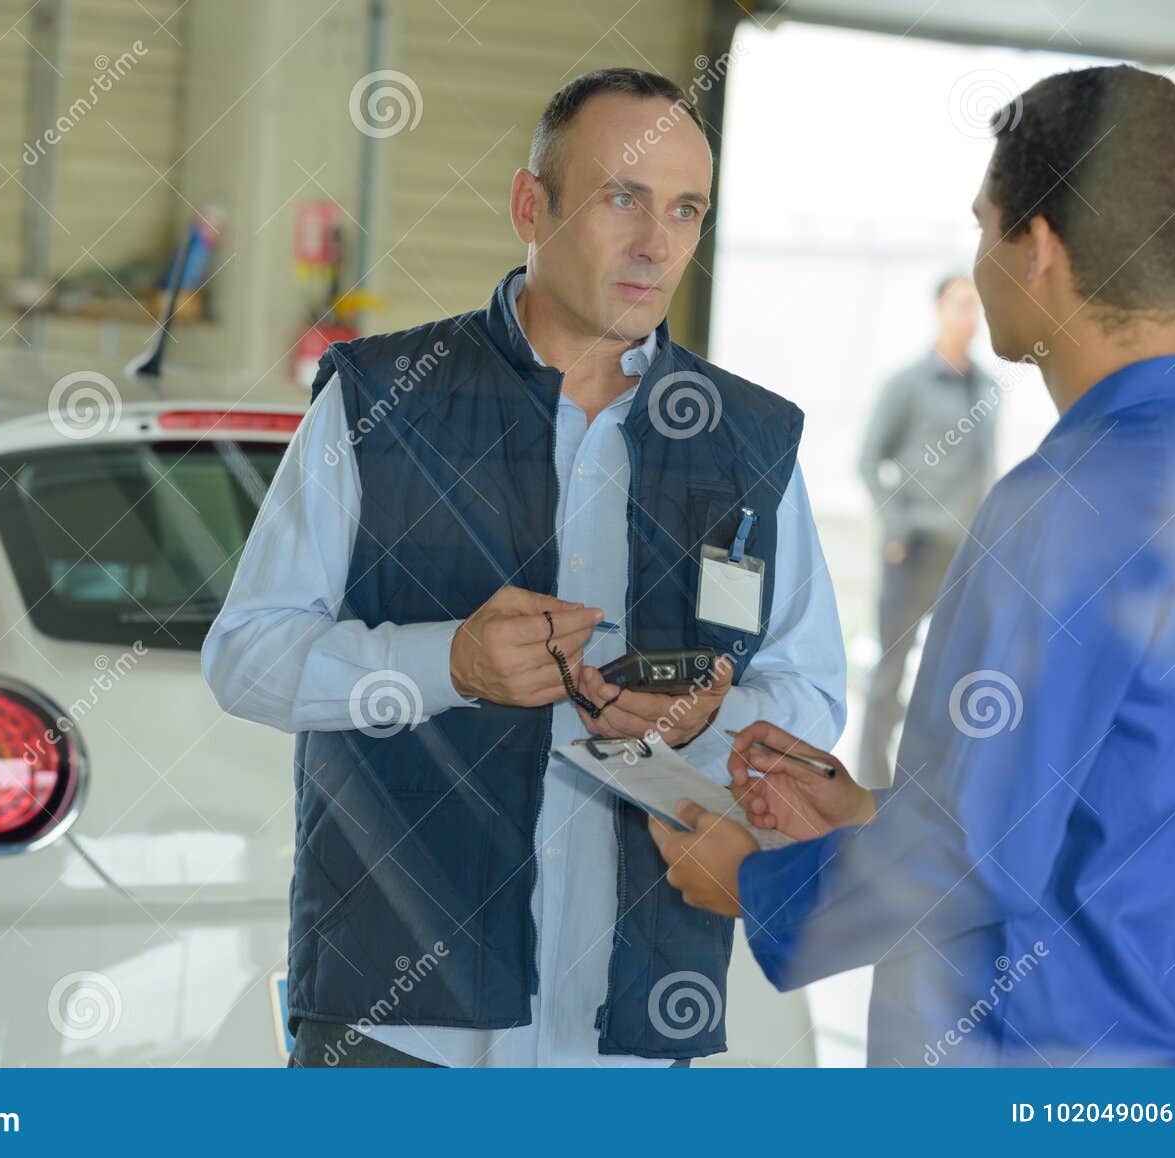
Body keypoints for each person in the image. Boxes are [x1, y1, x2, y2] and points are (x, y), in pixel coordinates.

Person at [649, 64, 1175, 1067]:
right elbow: (1094, 804)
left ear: (1037, 248)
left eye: (984, 226)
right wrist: (871, 814)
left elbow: (980, 858)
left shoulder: (1063, 503)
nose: (979, 258)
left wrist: (750, 880)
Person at [202, 67, 846, 1067]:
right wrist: (444, 665)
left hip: (632, 1033)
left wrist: (713, 720)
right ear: (528, 206)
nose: (655, 244)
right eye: (621, 198)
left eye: (685, 210)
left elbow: (809, 692)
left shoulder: (748, 443)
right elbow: (245, 655)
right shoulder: (381, 405)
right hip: (398, 1029)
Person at [856, 275, 996, 785]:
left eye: (977, 306)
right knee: (889, 676)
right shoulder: (907, 384)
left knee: (957, 675)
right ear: (938, 309)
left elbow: (987, 470)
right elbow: (870, 459)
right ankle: (870, 788)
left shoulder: (987, 388)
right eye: (961, 304)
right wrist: (896, 526)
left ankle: (930, 788)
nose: (971, 315)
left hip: (965, 556)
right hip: (913, 550)